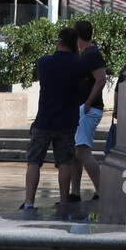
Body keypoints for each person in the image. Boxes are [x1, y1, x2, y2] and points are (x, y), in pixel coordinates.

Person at [19, 28, 84, 214]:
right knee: (64, 162)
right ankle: (64, 201)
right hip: (67, 120)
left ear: (59, 41)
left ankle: (29, 202)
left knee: (34, 161)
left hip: (44, 119)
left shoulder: (44, 63)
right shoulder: (78, 65)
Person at [69, 19, 107, 203]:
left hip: (88, 109)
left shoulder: (91, 54)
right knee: (76, 153)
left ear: (77, 36)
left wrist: (88, 103)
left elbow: (101, 79)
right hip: (85, 108)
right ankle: (74, 193)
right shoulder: (86, 53)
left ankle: (101, 191)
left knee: (82, 151)